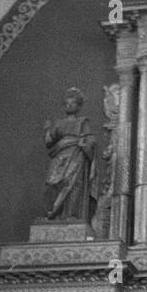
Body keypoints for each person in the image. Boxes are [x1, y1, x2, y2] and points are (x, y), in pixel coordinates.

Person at [44, 87, 96, 223]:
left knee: (72, 184)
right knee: (52, 183)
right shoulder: (59, 123)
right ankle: (53, 213)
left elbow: (89, 139)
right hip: (60, 155)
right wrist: (48, 130)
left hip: (76, 156)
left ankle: (71, 215)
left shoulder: (82, 122)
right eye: (67, 103)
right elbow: (49, 142)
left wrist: (84, 143)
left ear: (78, 106)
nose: (69, 106)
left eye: (72, 103)